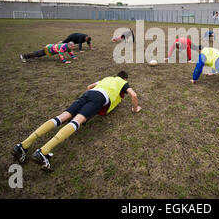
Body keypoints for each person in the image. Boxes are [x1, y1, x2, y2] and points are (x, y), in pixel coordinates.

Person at [11, 71, 141, 172]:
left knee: (61, 117)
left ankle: (22, 146)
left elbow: (89, 86)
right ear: (125, 79)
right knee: (77, 121)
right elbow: (133, 95)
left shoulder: (107, 78)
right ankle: (43, 152)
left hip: (88, 94)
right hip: (99, 98)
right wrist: (135, 109)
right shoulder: (122, 82)